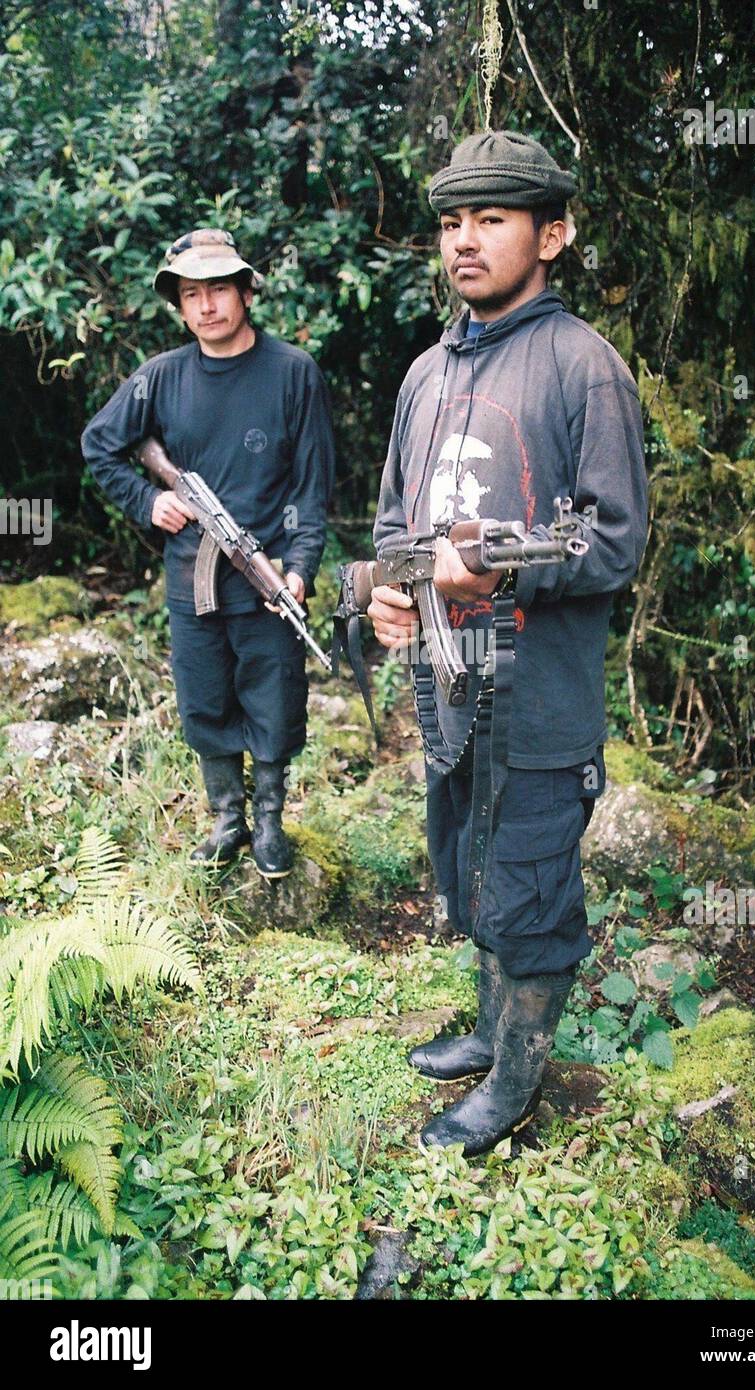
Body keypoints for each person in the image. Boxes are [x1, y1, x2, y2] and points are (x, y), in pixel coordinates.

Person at [367, 131, 649, 1155]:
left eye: (492, 219)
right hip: (447, 685)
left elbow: (613, 540)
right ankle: (489, 1031)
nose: (466, 241)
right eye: (452, 222)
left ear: (553, 234)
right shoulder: (424, 374)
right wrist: (391, 596)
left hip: (541, 696)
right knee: (469, 860)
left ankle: (518, 1083)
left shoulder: (586, 367)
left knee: (530, 877)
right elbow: (396, 526)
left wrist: (501, 568)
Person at [81, 229, 335, 878]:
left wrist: (299, 569)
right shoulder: (159, 378)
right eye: (191, 294)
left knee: (274, 697)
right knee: (204, 696)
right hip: (190, 577)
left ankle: (271, 820)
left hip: (266, 572)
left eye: (218, 289)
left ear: (246, 291)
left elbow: (312, 488)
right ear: (179, 305)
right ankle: (228, 819)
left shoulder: (293, 373)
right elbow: (100, 445)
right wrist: (148, 503)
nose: (206, 306)